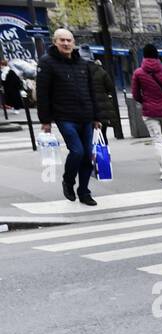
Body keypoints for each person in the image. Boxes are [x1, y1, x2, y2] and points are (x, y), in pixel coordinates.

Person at [36, 29, 106, 206]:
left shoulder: (82, 63)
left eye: (69, 40)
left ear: (73, 42)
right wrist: (45, 120)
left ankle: (84, 191)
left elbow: (92, 91)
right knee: (77, 151)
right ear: (55, 42)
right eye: (62, 40)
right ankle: (68, 181)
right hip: (64, 116)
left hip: (86, 116)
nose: (66, 44)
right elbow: (43, 93)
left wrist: (97, 116)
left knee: (88, 156)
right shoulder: (46, 63)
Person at [130, 44, 162, 181]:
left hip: (149, 112)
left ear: (144, 56)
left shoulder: (138, 73)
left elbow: (135, 95)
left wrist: (145, 101)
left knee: (157, 140)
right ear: (157, 56)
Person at [82, 45, 121, 139]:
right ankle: (104, 152)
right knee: (102, 135)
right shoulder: (101, 71)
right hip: (102, 108)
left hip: (87, 108)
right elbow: (110, 86)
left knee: (89, 137)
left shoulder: (80, 71)